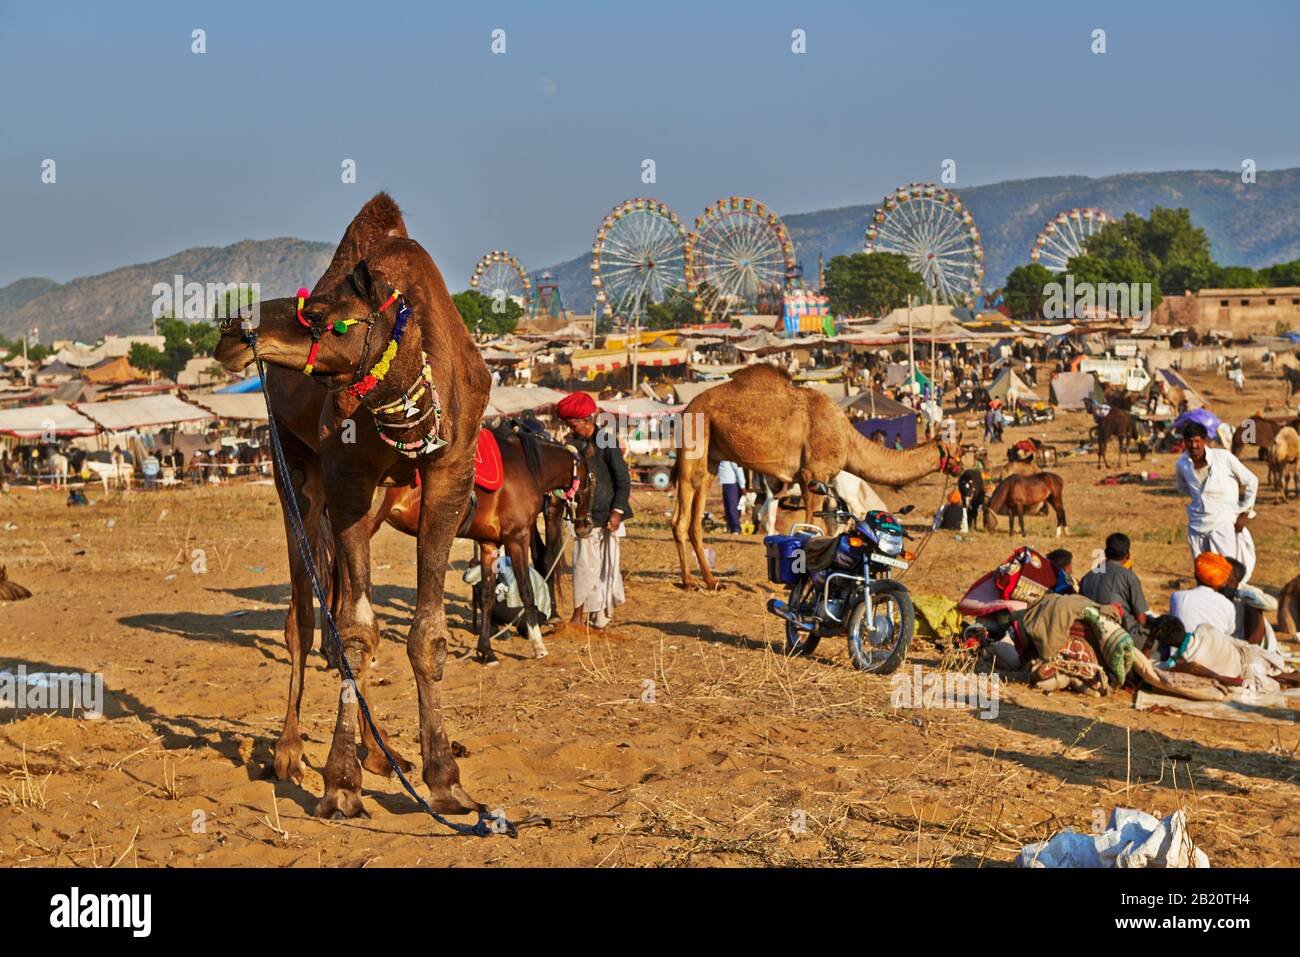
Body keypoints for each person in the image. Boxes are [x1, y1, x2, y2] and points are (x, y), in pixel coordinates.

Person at [558, 391, 632, 629]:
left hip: (608, 515)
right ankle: (578, 616)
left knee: (605, 569)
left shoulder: (606, 441)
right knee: (583, 565)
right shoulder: (571, 446)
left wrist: (617, 512)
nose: (570, 430)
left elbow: (623, 479)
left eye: (572, 425)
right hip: (583, 517)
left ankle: (597, 618)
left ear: (586, 421)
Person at [1174, 421, 1258, 584]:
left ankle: (1229, 605)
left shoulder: (1223, 457)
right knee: (1204, 572)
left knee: (1227, 571)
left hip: (1224, 522)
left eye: (1197, 441)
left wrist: (1245, 512)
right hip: (1197, 525)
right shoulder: (1182, 464)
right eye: (1190, 442)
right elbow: (1182, 488)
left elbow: (1251, 481)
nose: (1194, 446)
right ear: (1185, 442)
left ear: (1204, 441)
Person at [1077, 532, 1149, 635]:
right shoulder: (1129, 576)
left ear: (1105, 552)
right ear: (1128, 555)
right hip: (1121, 635)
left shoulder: (1087, 577)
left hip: (1091, 633)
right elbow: (1141, 619)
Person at [1169, 552, 1238, 637]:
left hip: (1183, 649)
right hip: (1215, 650)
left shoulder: (1177, 597)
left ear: (1195, 575)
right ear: (1221, 582)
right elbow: (1229, 632)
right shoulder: (1228, 605)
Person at [717, 460, 745, 533]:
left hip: (731, 483)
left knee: (732, 506)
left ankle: (736, 528)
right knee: (727, 506)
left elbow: (738, 469)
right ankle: (730, 527)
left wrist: (742, 486)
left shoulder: (730, 457)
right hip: (725, 482)